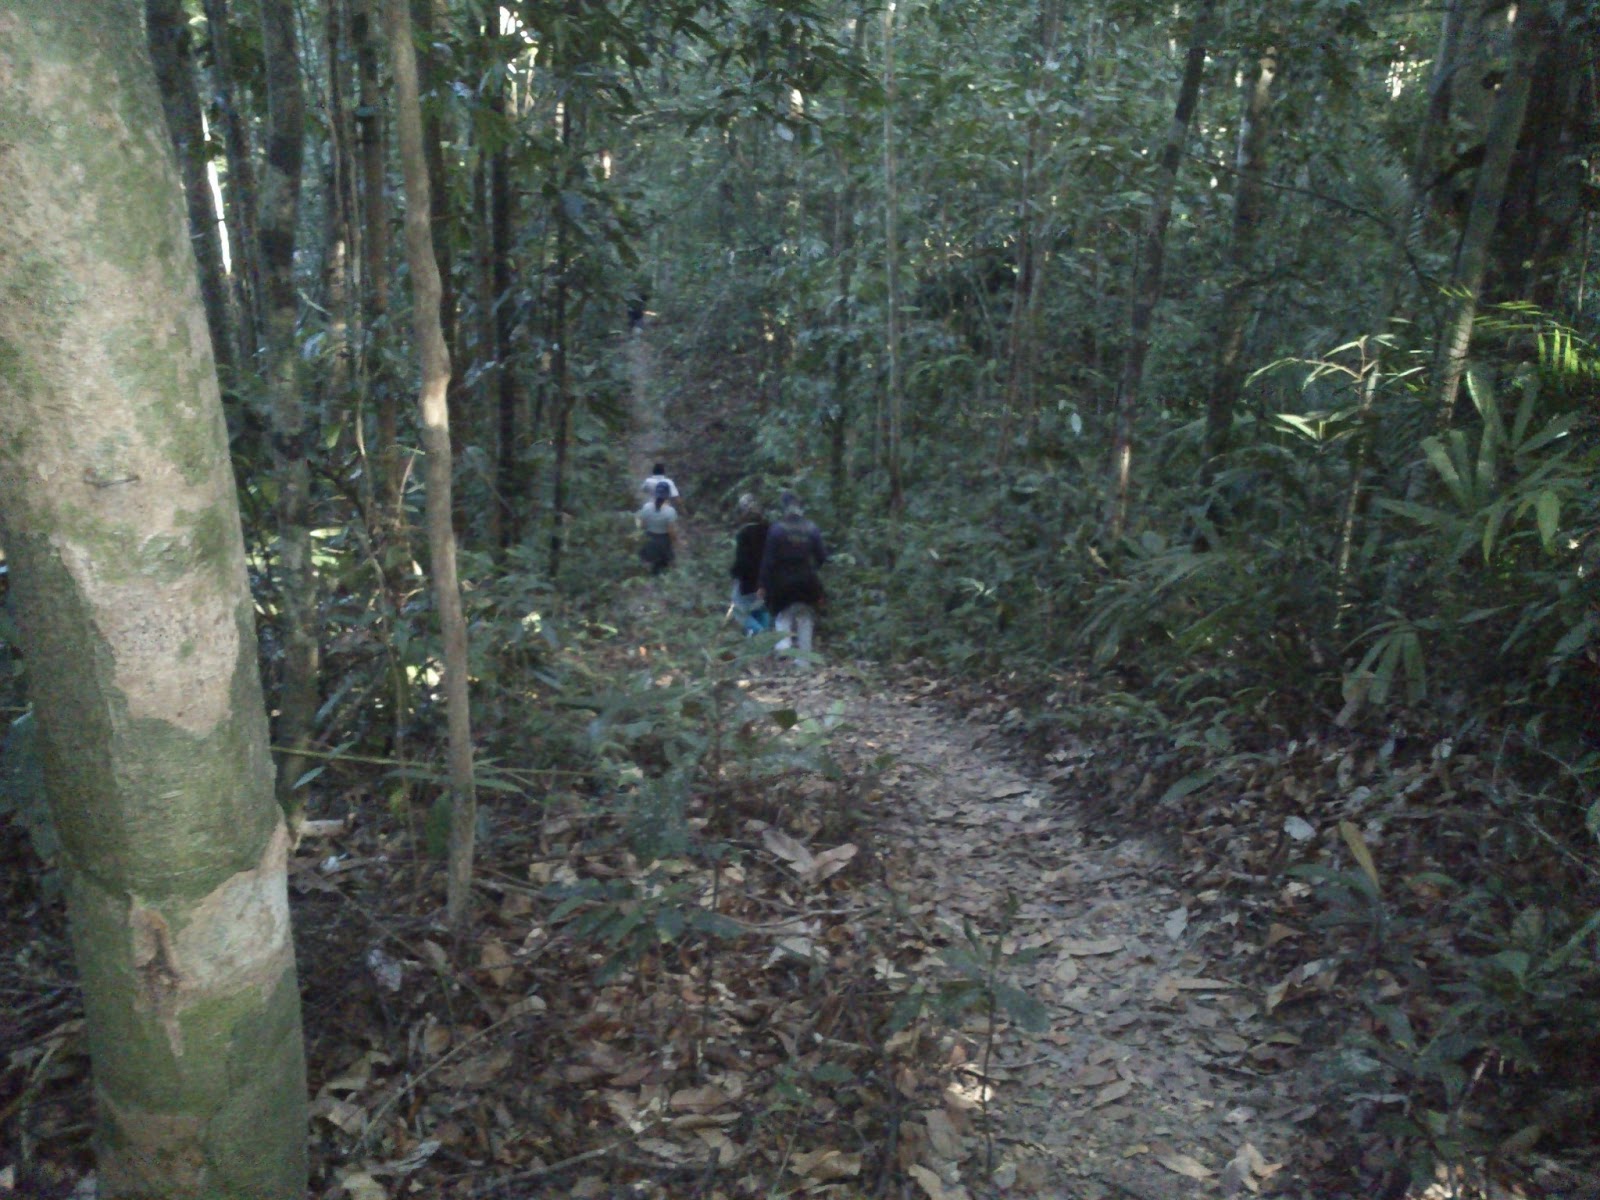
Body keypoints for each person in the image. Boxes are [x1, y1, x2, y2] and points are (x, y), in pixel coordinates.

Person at [758, 490, 828, 656]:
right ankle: (804, 663)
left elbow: (768, 561)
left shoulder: (777, 530)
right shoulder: (812, 529)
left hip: (782, 583)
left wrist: (762, 585)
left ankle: (784, 650)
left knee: (783, 617)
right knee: (805, 620)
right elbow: (822, 557)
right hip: (807, 582)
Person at [729, 494, 771, 635]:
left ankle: (761, 635)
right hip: (767, 578)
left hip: (748, 580)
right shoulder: (770, 530)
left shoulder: (744, 533)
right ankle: (764, 644)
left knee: (739, 611)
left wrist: (734, 573)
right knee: (761, 609)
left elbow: (742, 560)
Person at [637, 481, 677, 575]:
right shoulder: (670, 511)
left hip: (649, 540)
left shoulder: (646, 507)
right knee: (663, 566)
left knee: (650, 564)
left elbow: (642, 526)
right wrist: (675, 542)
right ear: (667, 496)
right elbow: (671, 532)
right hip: (663, 542)